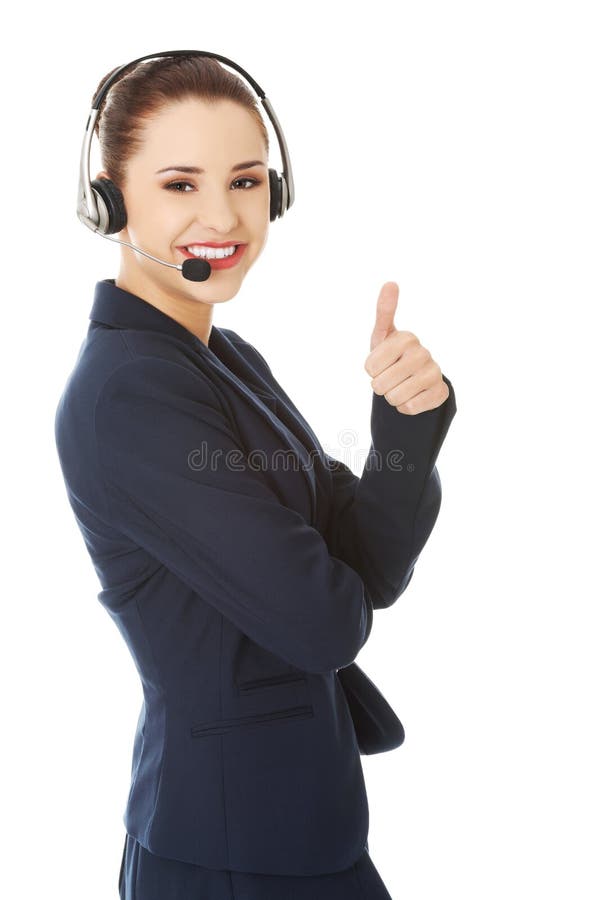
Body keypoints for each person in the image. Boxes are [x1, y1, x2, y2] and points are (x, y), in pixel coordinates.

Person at [54, 52, 457, 899]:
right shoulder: (131, 393)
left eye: (244, 181)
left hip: (295, 829)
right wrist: (333, 575)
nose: (222, 215)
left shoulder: (223, 356)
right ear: (108, 198)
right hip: (230, 851)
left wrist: (405, 424)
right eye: (179, 184)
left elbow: (367, 562)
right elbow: (325, 623)